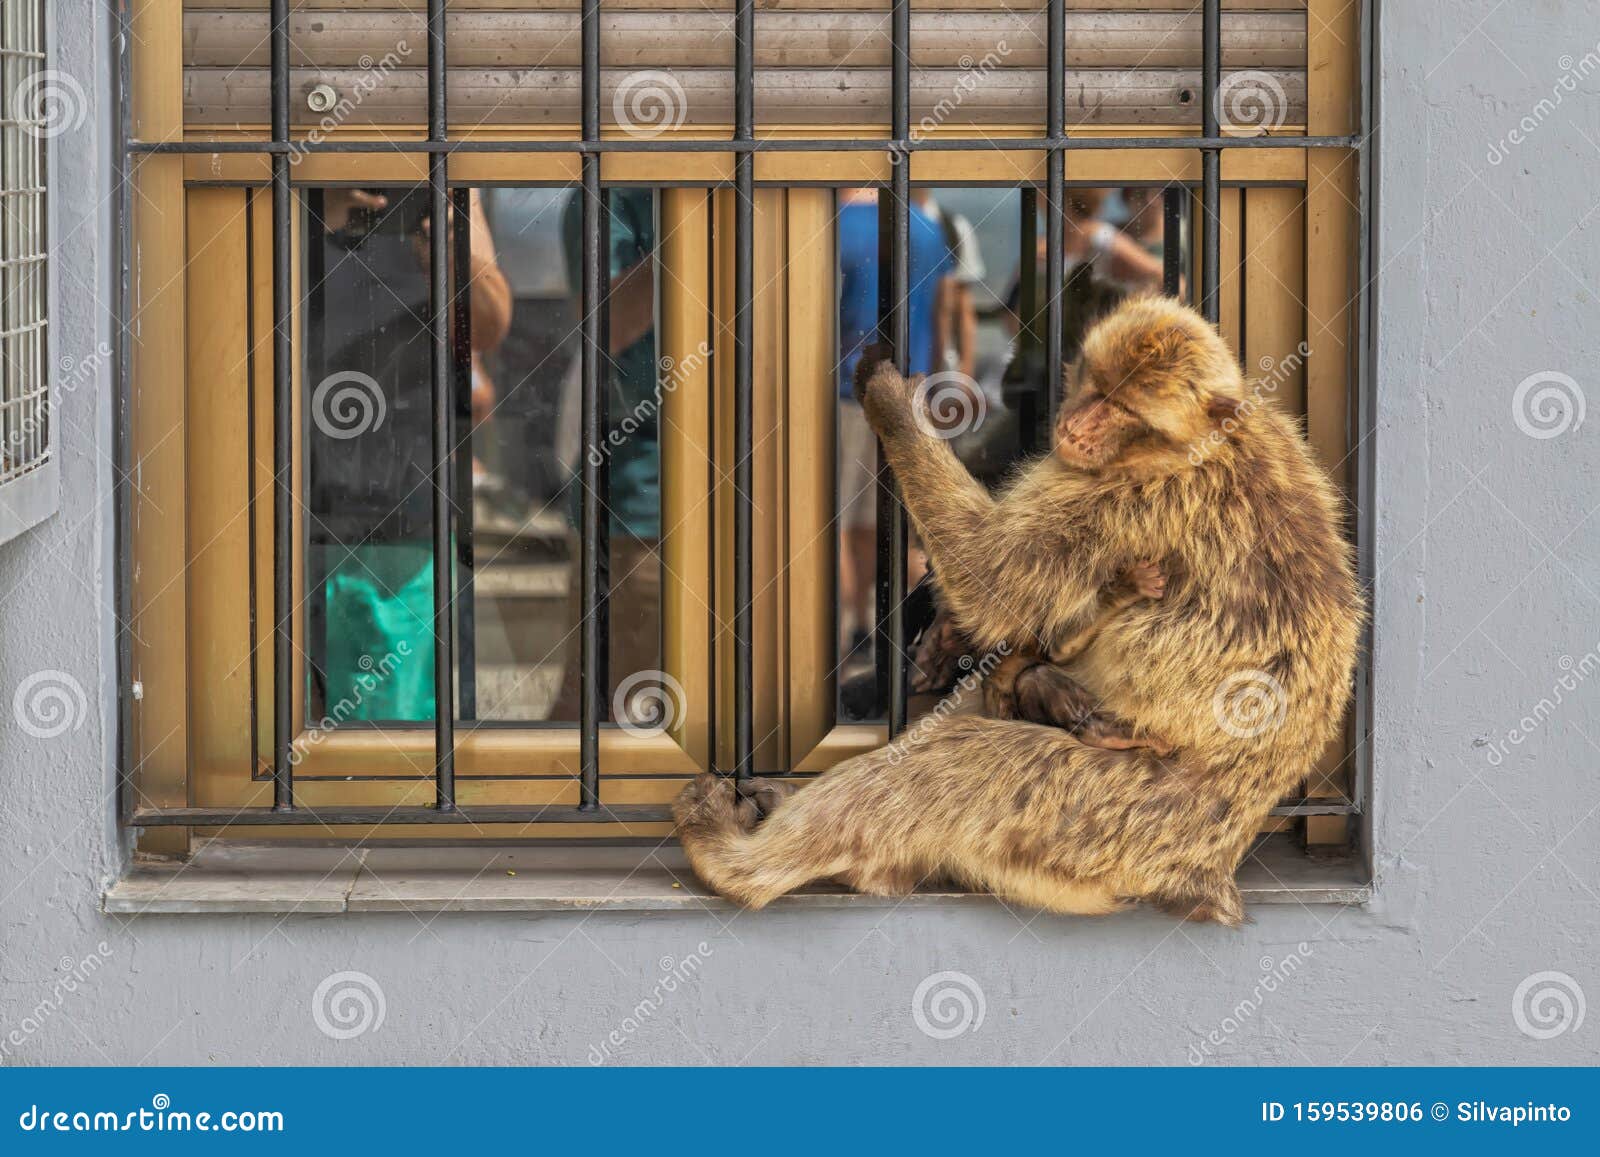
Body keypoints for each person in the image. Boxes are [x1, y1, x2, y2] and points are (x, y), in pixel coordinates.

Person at [308, 188, 511, 723]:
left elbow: (489, 326)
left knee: (405, 721)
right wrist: (316, 216)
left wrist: (449, 238)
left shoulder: (440, 191)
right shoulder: (295, 183)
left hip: (408, 499)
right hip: (299, 489)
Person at [549, 188, 663, 722]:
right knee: (617, 718)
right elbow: (607, 326)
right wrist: (688, 236)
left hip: (740, 495)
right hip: (642, 508)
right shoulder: (613, 193)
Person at [835, 187, 954, 693]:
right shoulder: (925, 227)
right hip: (911, 397)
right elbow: (943, 313)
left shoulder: (833, 228)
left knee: (829, 526)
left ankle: (838, 639)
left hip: (845, 392)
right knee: (883, 524)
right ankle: (882, 636)